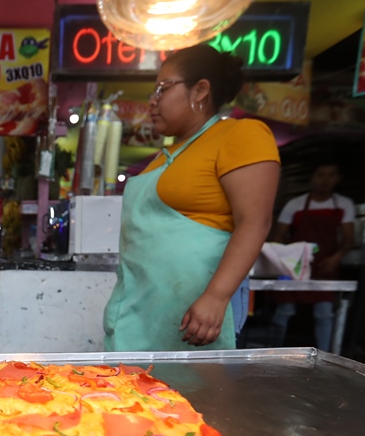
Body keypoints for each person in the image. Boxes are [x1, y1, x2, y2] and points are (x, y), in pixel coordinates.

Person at [103, 45, 280, 351]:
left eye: (162, 88)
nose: (152, 100)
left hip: (196, 318)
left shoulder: (240, 135)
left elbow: (255, 221)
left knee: (195, 398)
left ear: (200, 90)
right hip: (141, 314)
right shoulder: (162, 158)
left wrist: (216, 296)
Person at [269, 161, 356, 352]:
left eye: (330, 175)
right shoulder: (295, 204)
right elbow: (278, 237)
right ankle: (270, 352)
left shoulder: (343, 204)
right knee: (284, 310)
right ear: (312, 179)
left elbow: (349, 239)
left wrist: (336, 258)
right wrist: (284, 263)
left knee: (325, 314)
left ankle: (328, 358)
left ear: (338, 179)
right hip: (295, 265)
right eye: (320, 174)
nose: (325, 180)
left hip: (325, 265)